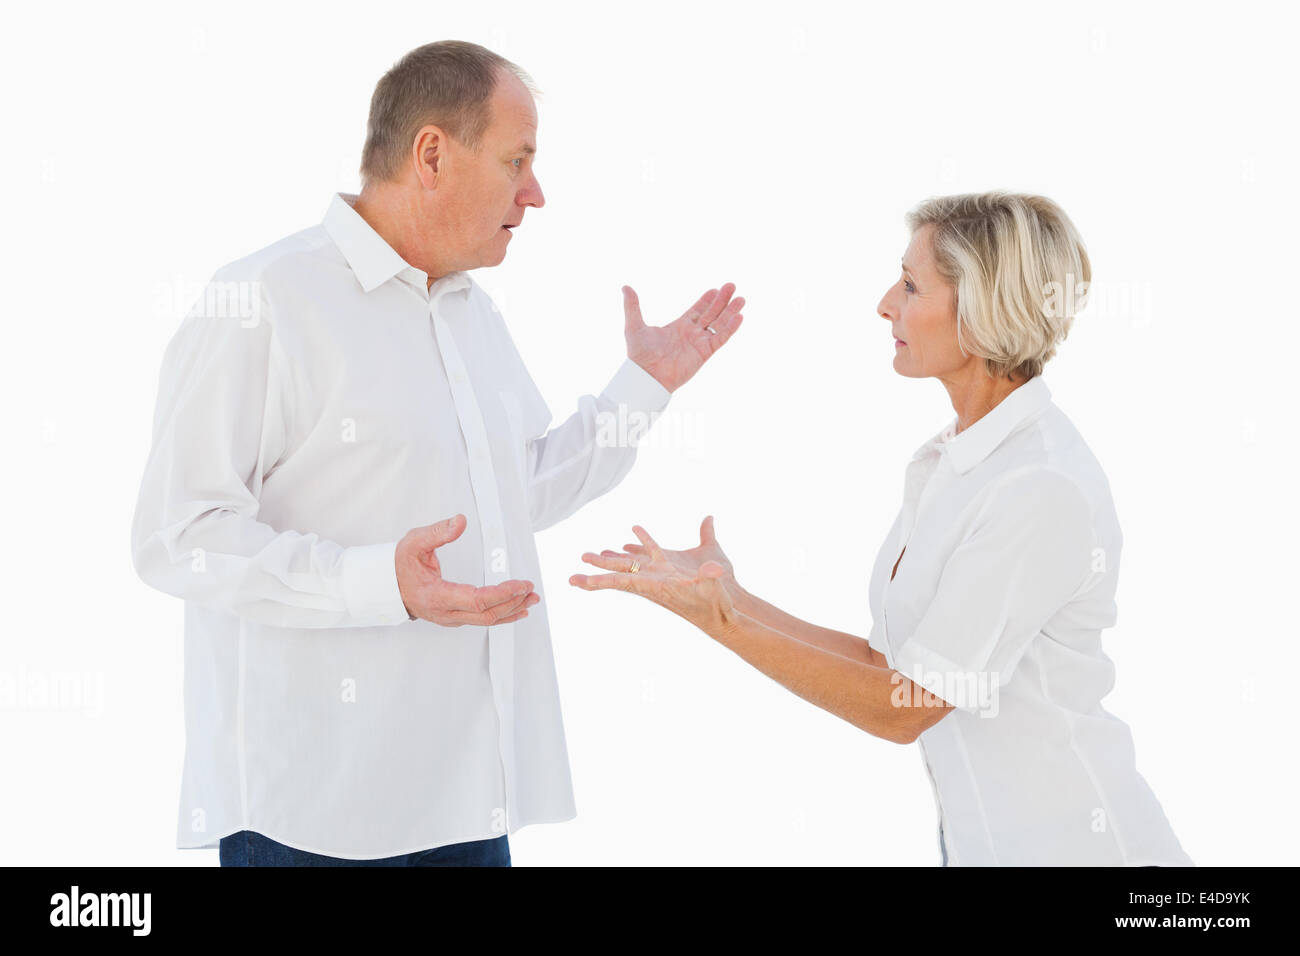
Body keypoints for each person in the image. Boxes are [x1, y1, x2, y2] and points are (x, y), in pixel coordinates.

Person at [130, 40, 744, 867]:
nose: (536, 193)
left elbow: (516, 491)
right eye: (517, 161)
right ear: (431, 154)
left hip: (467, 803)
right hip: (310, 820)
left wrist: (644, 387)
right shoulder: (263, 300)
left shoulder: (468, 311)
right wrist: (380, 583)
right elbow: (178, 537)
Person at [569, 191, 1192, 866]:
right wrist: (732, 598)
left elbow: (905, 708)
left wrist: (722, 622)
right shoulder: (958, 460)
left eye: (911, 285)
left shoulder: (1037, 487)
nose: (885, 303)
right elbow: (888, 668)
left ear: (981, 308)